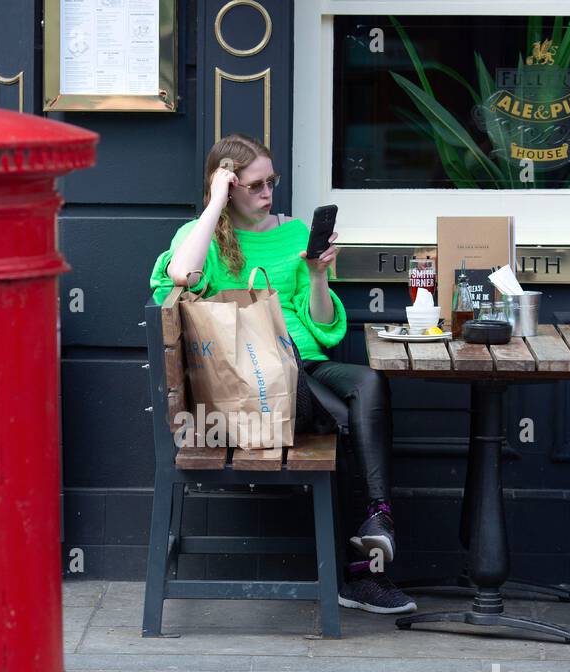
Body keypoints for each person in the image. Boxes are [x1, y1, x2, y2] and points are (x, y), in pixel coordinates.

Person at [149, 133, 415, 615]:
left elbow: (325, 329)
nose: (268, 192)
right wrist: (214, 206)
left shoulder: (294, 234)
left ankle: (379, 517)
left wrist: (316, 274)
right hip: (251, 384)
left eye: (272, 181)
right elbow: (180, 276)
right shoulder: (203, 238)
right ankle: (358, 573)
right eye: (254, 185)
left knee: (369, 383)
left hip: (306, 364)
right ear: (228, 187)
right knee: (346, 420)